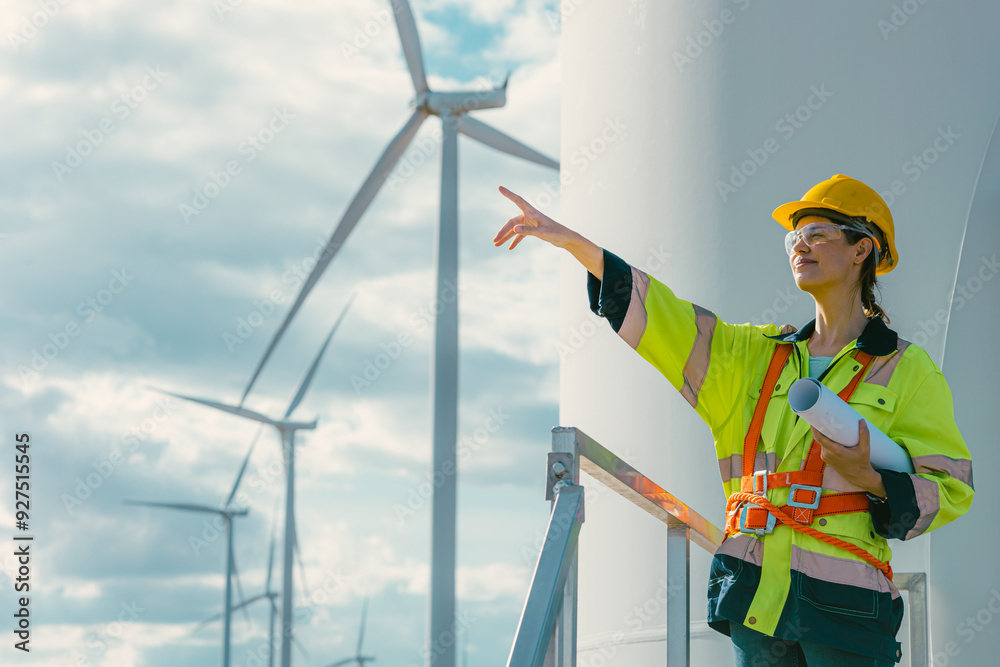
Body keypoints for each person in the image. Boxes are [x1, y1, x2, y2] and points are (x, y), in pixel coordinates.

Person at [493, 174, 974, 666]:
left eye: (817, 234)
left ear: (861, 250)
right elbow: (665, 320)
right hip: (756, 599)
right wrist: (577, 246)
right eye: (794, 237)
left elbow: (952, 488)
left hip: (848, 611)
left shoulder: (908, 370)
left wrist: (869, 477)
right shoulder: (752, 356)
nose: (800, 246)